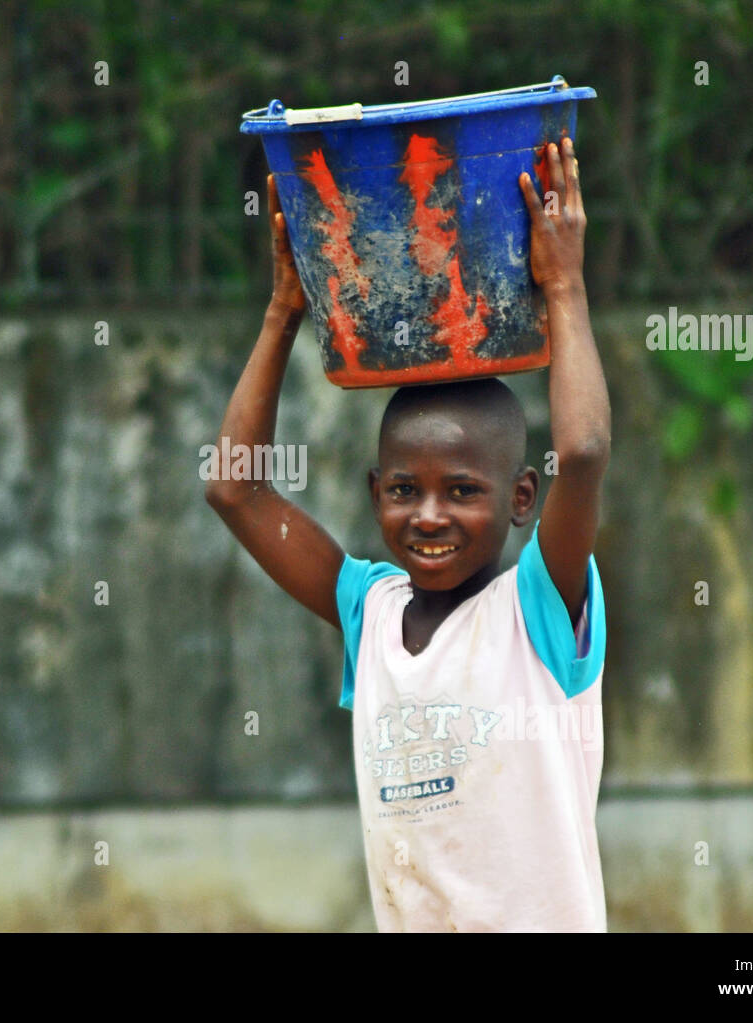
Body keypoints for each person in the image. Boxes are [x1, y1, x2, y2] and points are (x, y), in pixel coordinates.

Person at [205, 137, 611, 931]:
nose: (427, 515)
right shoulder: (373, 613)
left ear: (522, 497)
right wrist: (285, 311)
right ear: (374, 493)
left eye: (462, 491)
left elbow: (586, 451)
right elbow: (233, 489)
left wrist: (563, 284)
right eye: (403, 490)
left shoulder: (537, 610)